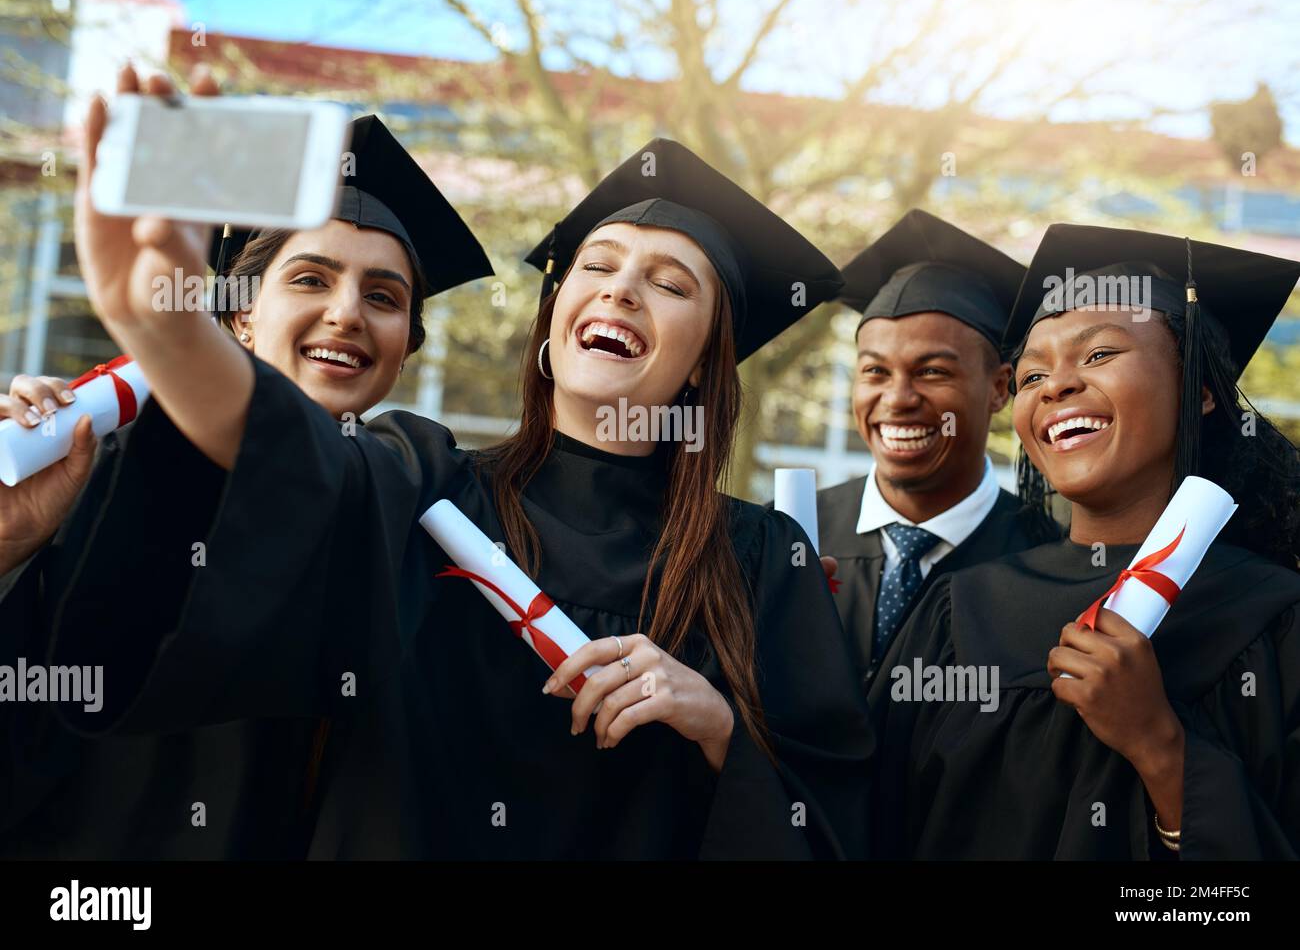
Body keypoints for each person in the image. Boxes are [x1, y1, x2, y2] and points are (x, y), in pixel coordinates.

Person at [43, 70, 873, 859]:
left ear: (702, 360)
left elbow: (836, 821)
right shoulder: (425, 481)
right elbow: (284, 469)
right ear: (556, 316)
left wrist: (720, 728)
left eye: (669, 283)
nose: (621, 290)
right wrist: (175, 334)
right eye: (598, 264)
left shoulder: (764, 561)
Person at [0, 65, 493, 858]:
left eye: (384, 296)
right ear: (240, 316)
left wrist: (175, 344)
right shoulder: (93, 468)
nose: (346, 312)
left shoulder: (421, 480)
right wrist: (10, 548)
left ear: (406, 348)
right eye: (310, 277)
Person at [868, 222, 1300, 859]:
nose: (1056, 386)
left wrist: (1159, 744)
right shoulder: (960, 610)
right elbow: (861, 826)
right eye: (1032, 374)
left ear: (1201, 391)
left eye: (1099, 355)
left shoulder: (1274, 618)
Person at [817, 209, 1056, 689]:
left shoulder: (1052, 565)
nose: (898, 400)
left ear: (999, 389)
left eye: (932, 371)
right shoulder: (787, 536)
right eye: (875, 372)